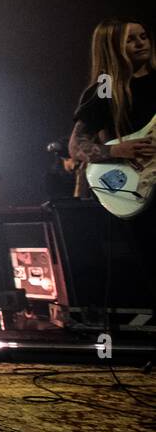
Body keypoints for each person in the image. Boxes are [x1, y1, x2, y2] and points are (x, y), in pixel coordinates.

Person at [69, 18, 156, 296]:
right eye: (131, 39)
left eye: (143, 36)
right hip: (141, 185)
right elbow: (77, 144)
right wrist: (114, 150)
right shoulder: (106, 89)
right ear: (111, 47)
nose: (141, 43)